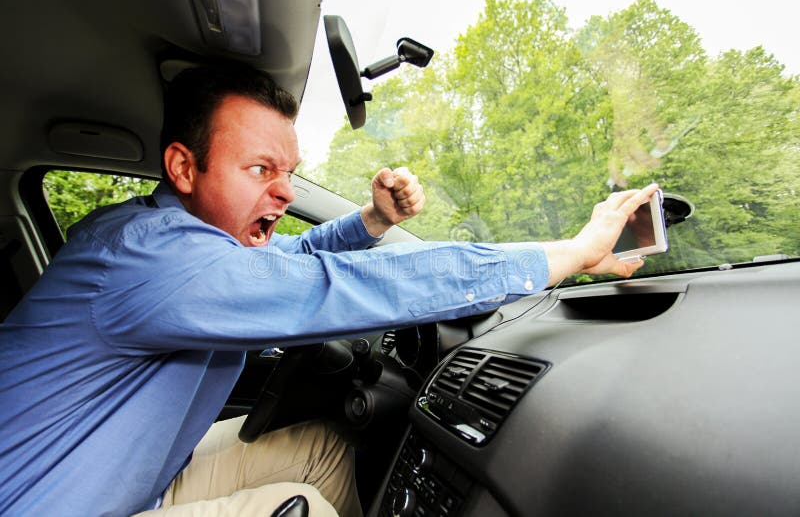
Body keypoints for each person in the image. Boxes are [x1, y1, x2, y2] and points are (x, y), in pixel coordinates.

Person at [0, 63, 658, 516]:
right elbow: (339, 283)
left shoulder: (173, 240)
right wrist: (571, 252)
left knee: (322, 445)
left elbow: (294, 255)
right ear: (183, 167)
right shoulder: (156, 260)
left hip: (126, 484)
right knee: (305, 509)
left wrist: (374, 221)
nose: (284, 191)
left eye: (288, 171)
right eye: (260, 168)